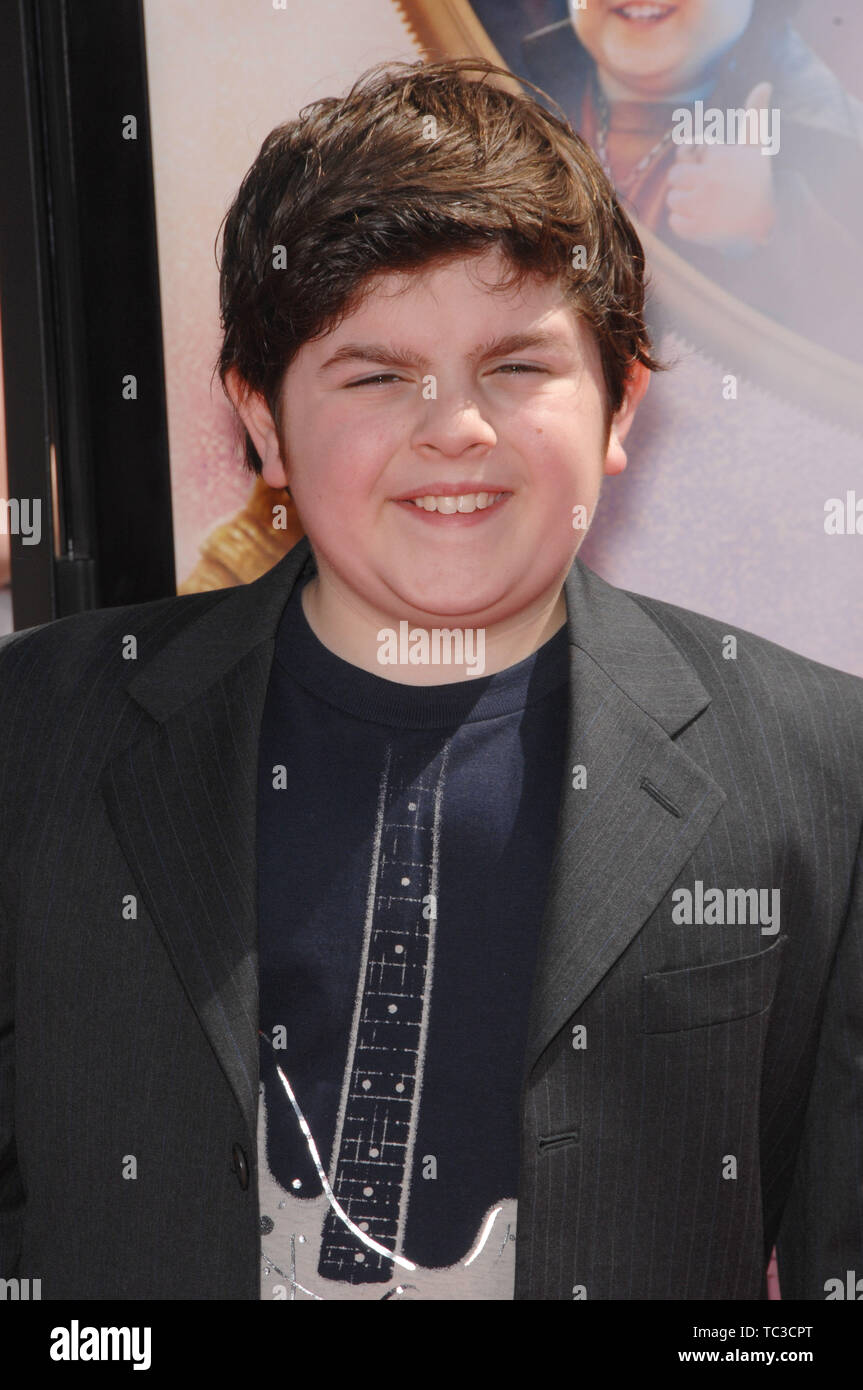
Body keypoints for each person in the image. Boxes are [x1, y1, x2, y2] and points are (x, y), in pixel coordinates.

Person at [0, 56, 860, 1302]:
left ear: (619, 403)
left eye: (517, 367)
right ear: (260, 421)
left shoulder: (817, 765)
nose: (452, 426)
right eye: (372, 373)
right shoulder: (37, 729)